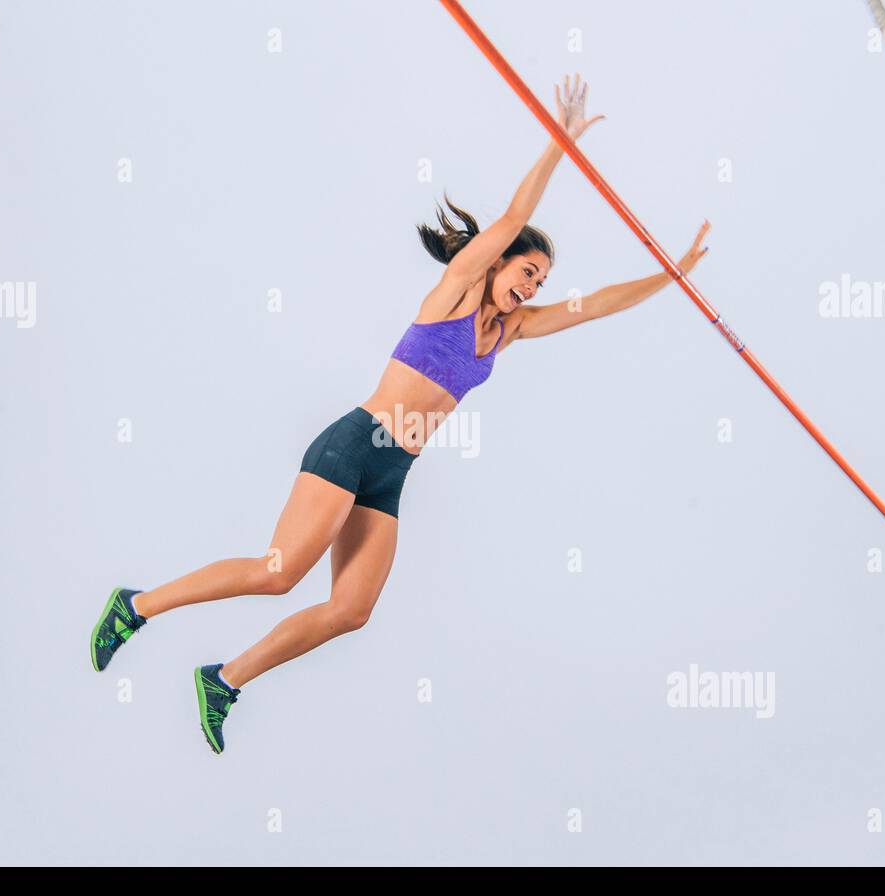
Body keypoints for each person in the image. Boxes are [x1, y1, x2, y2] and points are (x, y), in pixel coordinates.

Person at [88, 75, 709, 753]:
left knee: (351, 610)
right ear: (497, 264)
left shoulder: (513, 329)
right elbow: (508, 218)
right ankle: (137, 605)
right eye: (527, 271)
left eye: (540, 280)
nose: (533, 286)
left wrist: (671, 275)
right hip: (354, 445)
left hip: (391, 471)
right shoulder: (455, 293)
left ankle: (225, 680)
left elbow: (600, 305)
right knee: (278, 573)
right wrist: (559, 144)